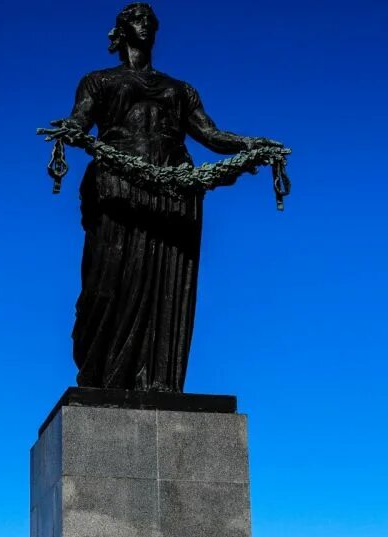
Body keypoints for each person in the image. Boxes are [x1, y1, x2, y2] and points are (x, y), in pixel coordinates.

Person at [58, 3, 282, 392]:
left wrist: (251, 144)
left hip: (174, 190)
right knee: (105, 284)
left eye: (150, 19)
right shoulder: (98, 80)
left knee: (166, 285)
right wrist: (71, 129)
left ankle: (156, 379)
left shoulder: (180, 89)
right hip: (118, 187)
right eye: (137, 18)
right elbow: (80, 119)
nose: (145, 24)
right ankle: (99, 373)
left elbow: (211, 135)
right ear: (121, 29)